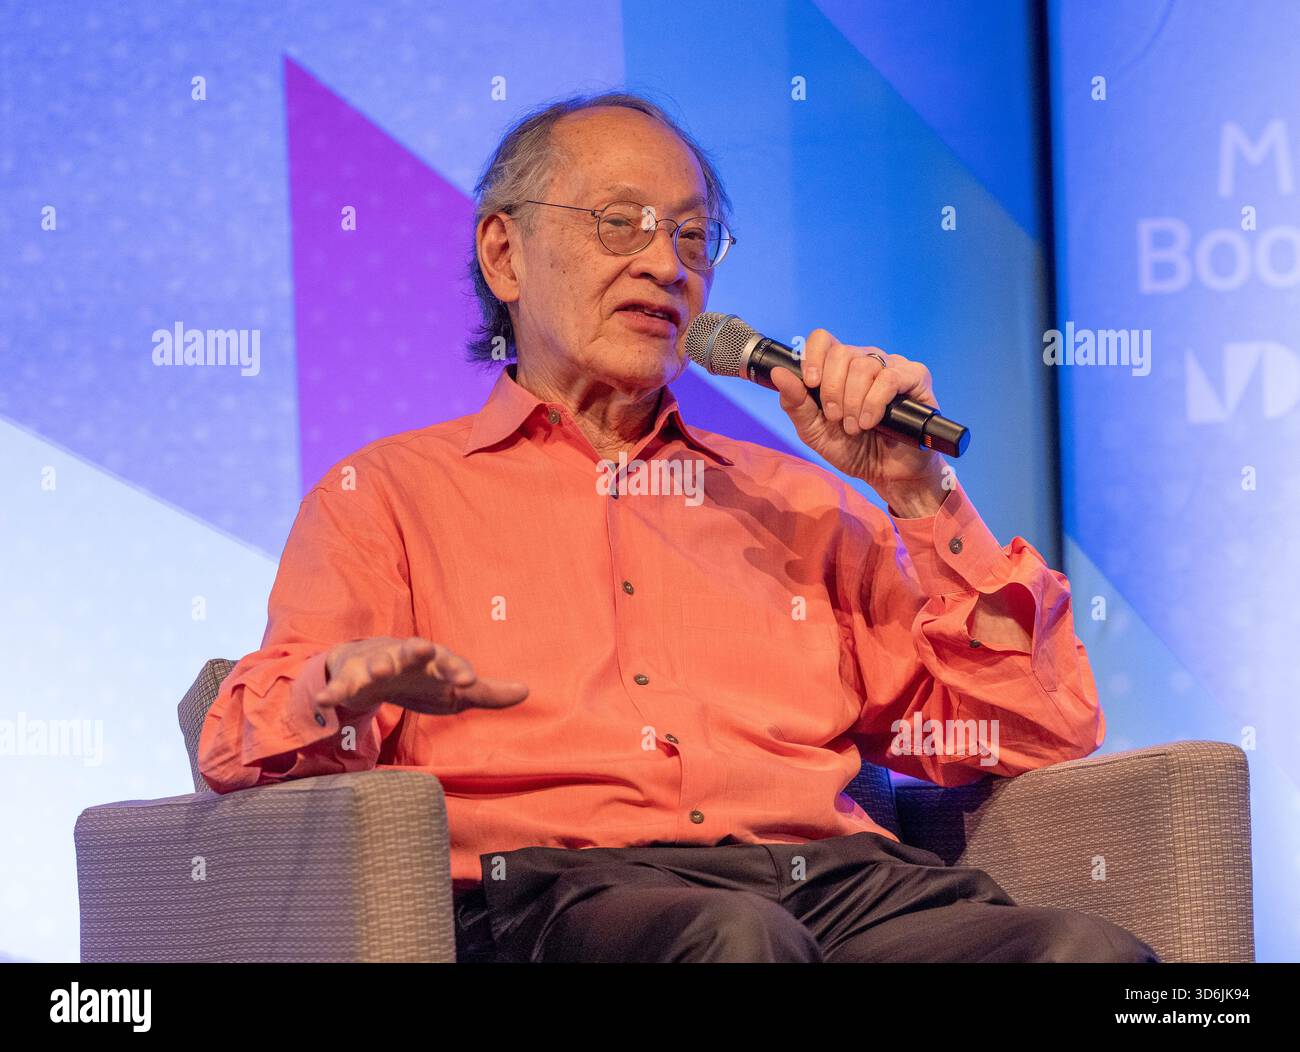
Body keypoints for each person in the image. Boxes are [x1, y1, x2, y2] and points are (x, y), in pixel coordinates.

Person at [198, 91, 1158, 964]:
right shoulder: (389, 495)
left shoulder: (805, 504)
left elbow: (1036, 734)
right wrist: (338, 689)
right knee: (735, 941)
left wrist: (917, 492)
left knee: (1084, 955)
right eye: (622, 225)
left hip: (831, 888)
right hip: (563, 900)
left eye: (694, 240)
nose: (665, 265)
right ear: (504, 254)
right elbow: (239, 745)